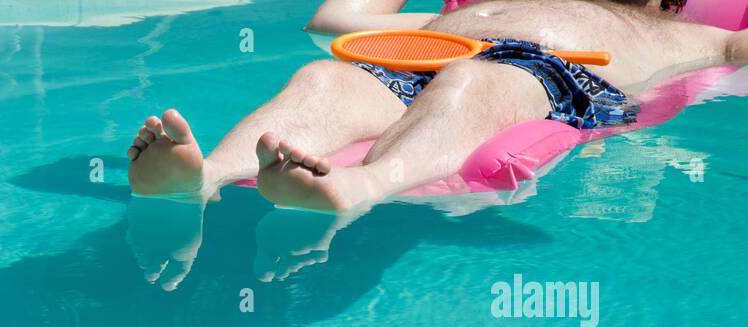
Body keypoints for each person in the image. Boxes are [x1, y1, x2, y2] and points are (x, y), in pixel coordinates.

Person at [127, 0, 747, 212]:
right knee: (323, 80)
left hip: (552, 74)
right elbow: (332, 23)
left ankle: (363, 185)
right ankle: (201, 176)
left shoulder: (700, 35)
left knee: (475, 85)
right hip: (432, 53)